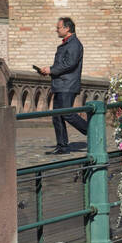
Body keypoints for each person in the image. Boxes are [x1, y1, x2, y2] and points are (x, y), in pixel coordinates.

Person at [34, 18, 87, 153]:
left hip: (67, 85)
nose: (56, 30)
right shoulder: (67, 44)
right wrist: (48, 71)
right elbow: (64, 64)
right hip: (61, 84)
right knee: (57, 115)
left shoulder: (74, 44)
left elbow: (70, 63)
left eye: (58, 28)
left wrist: (51, 70)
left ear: (67, 28)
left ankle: (92, 131)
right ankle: (62, 146)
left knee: (67, 114)